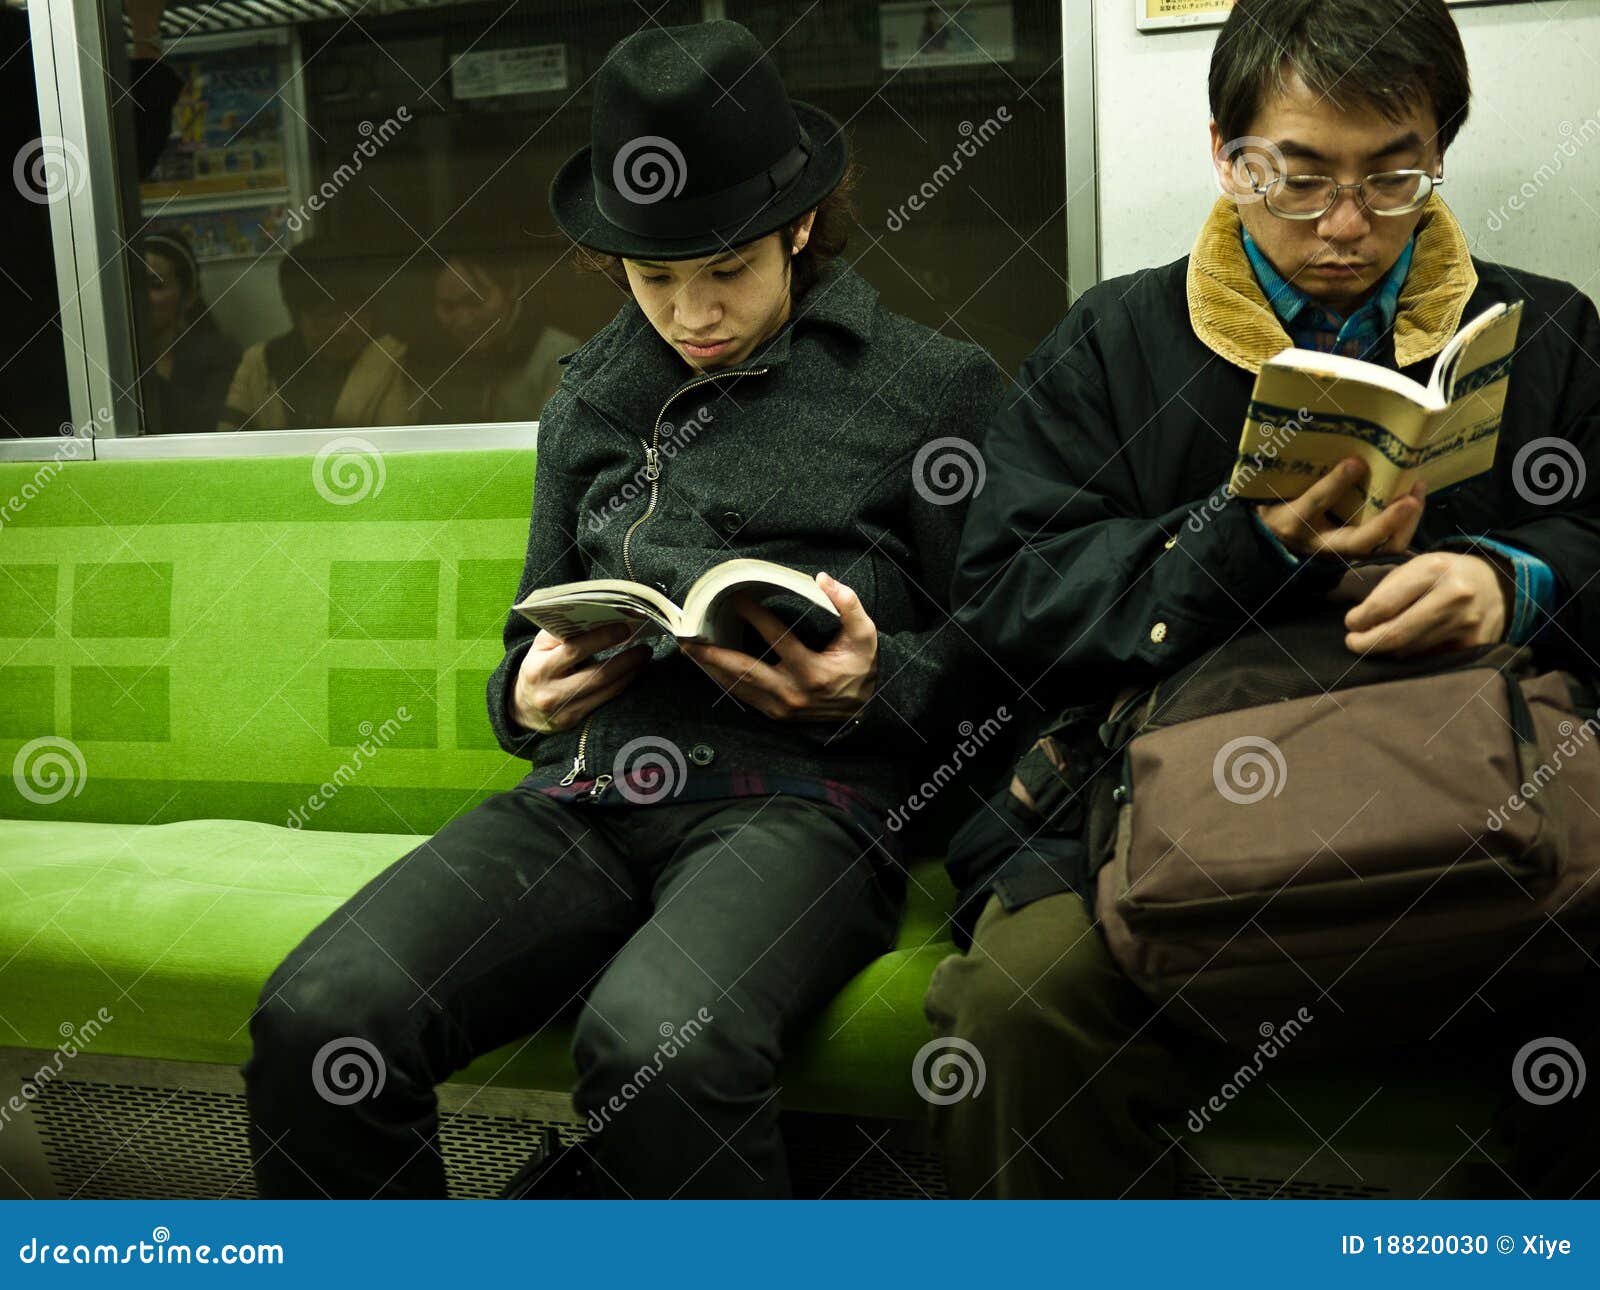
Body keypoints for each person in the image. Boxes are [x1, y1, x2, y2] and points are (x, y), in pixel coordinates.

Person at [241, 19, 1002, 1199]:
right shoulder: (591, 395)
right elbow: (527, 639)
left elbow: (1008, 669)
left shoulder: (929, 388)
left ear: (799, 226)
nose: (693, 313)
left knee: (657, 1044)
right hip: (588, 796)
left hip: (800, 807)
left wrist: (874, 682)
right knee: (319, 1016)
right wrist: (523, 691)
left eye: (728, 271)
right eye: (656, 280)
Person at [925, 0, 1600, 1199]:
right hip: (1162, 796)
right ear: (1224, 156)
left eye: (1393, 181)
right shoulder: (1110, 346)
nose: (1345, 228)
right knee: (1014, 1009)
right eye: (1295, 181)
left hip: (1488, 777)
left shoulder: (1545, 333)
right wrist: (1233, 548)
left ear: (1441, 149)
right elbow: (1008, 597)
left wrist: (1515, 578)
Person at [219, 236, 413, 431]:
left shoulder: (390, 359)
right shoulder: (260, 362)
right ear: (296, 314)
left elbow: (395, 445)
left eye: (357, 311)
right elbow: (228, 440)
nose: (344, 328)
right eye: (326, 314)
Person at [405, 240, 578, 424]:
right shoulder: (427, 357)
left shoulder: (559, 354)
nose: (463, 319)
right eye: (449, 307)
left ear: (511, 287)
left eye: (475, 300)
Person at [137, 231, 241, 434]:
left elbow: (210, 430)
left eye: (156, 285)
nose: (142, 298)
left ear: (189, 297)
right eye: (135, 285)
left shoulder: (222, 358)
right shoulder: (113, 363)